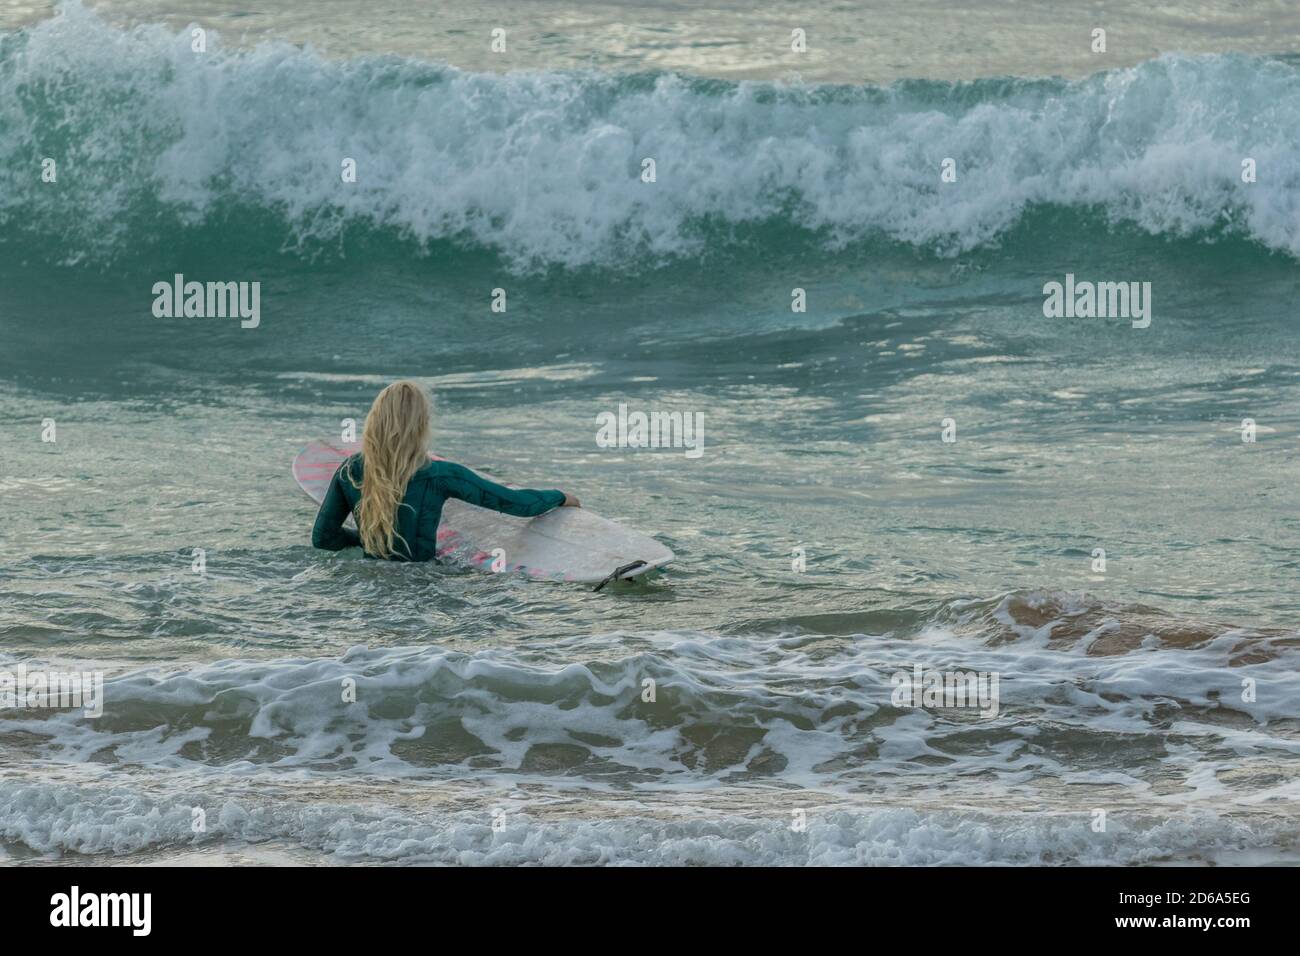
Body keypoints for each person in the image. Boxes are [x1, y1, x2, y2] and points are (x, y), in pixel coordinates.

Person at [312, 380, 579, 561]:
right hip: (422, 583)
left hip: (370, 583)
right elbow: (516, 503)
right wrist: (561, 496)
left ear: (374, 421)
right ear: (421, 425)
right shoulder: (439, 474)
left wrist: (368, 539)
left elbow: (324, 538)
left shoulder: (350, 470)